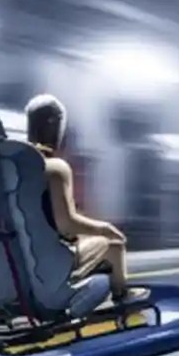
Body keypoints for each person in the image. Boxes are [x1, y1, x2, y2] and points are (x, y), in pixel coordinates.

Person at [25, 94, 144, 302]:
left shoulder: (13, 167)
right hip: (48, 266)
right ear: (57, 128)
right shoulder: (55, 168)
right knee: (113, 243)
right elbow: (66, 225)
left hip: (18, 263)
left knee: (85, 240)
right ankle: (122, 298)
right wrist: (104, 228)